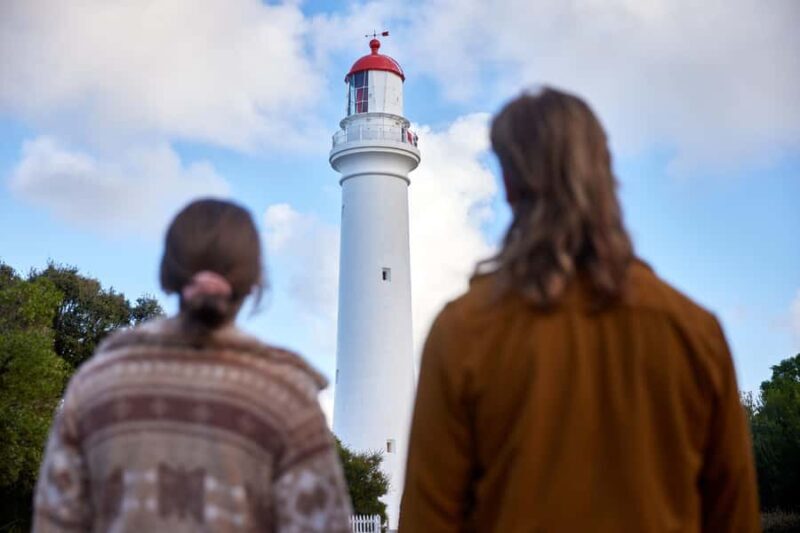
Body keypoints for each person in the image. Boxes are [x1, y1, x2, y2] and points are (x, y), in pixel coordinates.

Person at [399, 88, 760, 532]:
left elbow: (427, 519)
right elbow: (735, 517)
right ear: (606, 170)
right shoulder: (694, 331)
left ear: (510, 184)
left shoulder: (463, 331)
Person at [33, 199, 352, 532]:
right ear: (254, 281)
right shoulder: (288, 398)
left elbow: (55, 523)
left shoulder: (94, 384)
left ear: (167, 274)